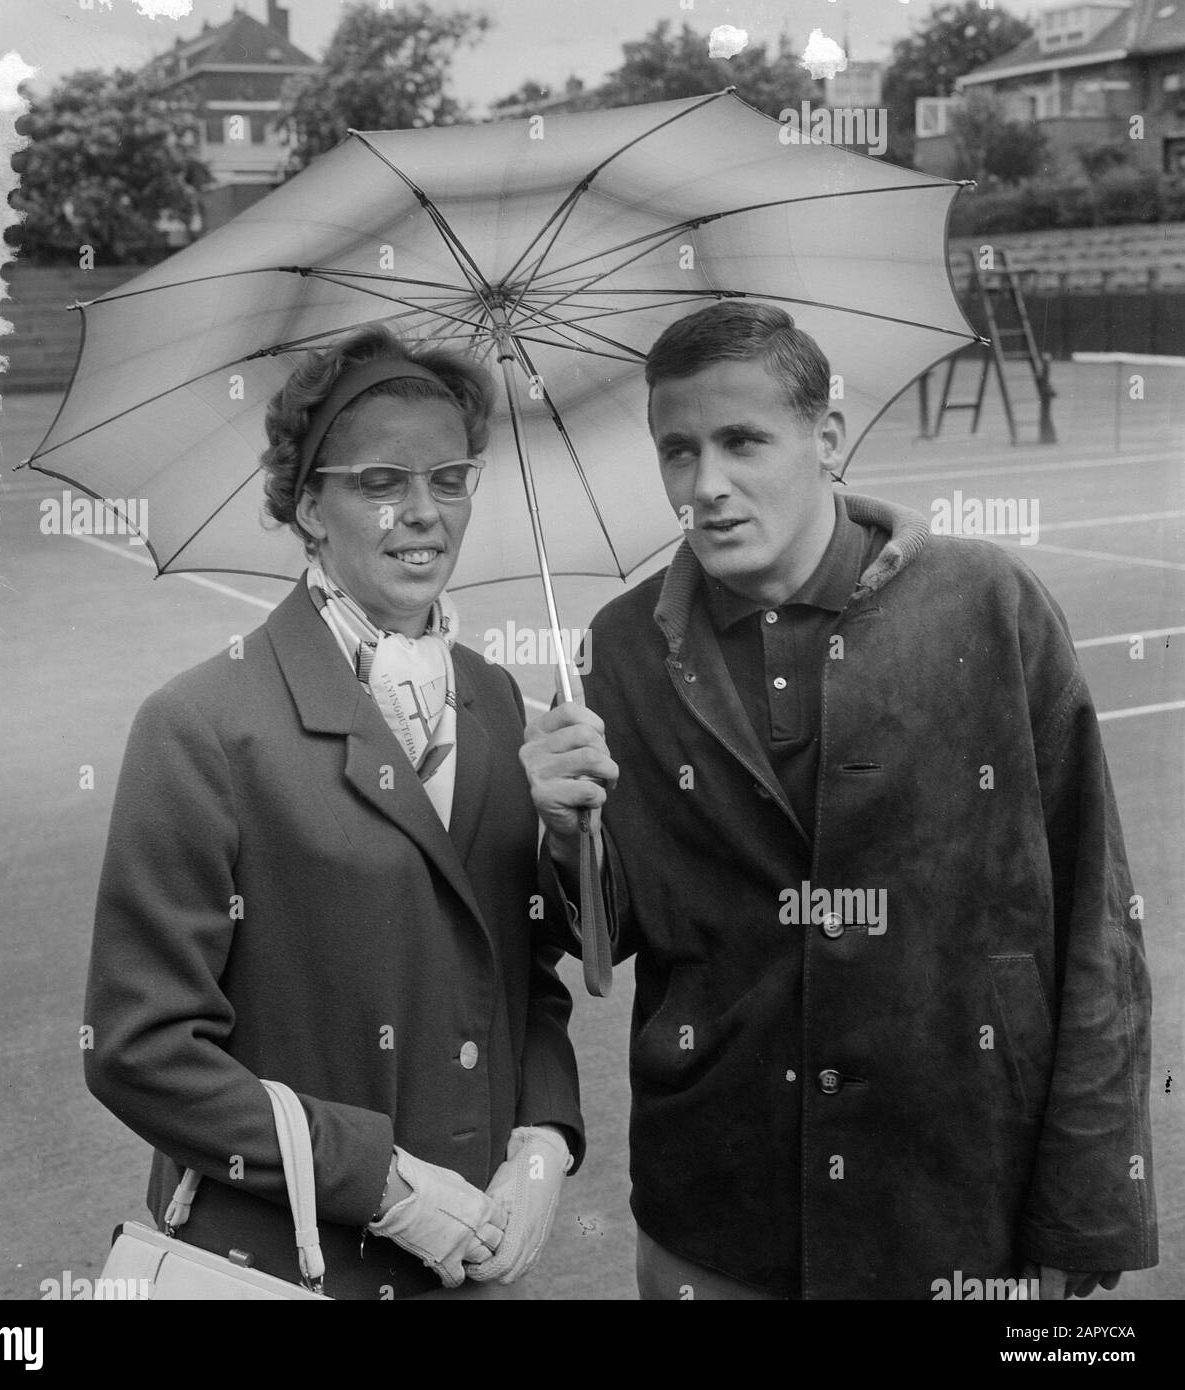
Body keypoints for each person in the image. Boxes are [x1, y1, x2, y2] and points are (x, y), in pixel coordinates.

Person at [521, 301, 1157, 1301]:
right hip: (716, 1216)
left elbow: (1094, 926)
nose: (707, 486)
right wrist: (565, 835)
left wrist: (1085, 1210)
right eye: (677, 451)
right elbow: (613, 936)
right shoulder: (621, 646)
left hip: (954, 1214)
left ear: (826, 439)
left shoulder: (988, 604)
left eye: (742, 442)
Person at [85, 324, 583, 1300]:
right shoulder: (201, 723)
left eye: (450, 478)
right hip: (284, 1268)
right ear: (308, 504)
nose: (424, 514)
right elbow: (140, 1049)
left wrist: (545, 1137)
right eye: (380, 482)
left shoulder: (497, 700)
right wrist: (382, 1183)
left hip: (477, 1261)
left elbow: (521, 973)